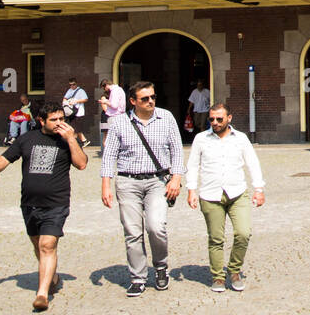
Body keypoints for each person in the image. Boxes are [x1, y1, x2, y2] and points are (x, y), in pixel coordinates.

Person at [0, 101, 87, 310]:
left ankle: (42, 293)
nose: (60, 123)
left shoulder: (67, 140)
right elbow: (5, 158)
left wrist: (70, 139)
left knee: (47, 245)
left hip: (56, 203)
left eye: (62, 119)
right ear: (41, 120)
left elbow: (82, 163)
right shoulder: (27, 139)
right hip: (29, 204)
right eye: (54, 120)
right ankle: (53, 277)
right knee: (37, 245)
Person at [100, 80, 184, 297]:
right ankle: (138, 277)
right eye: (145, 98)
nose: (150, 102)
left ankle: (160, 266)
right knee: (132, 231)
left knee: (156, 227)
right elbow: (109, 155)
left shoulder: (166, 117)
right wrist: (106, 185)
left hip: (157, 181)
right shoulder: (119, 122)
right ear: (132, 101)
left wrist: (176, 179)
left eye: (153, 97)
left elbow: (177, 149)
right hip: (128, 182)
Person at [186, 102, 266, 293]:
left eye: (219, 119)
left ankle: (235, 270)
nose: (215, 122)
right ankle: (218, 277)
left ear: (229, 118)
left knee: (243, 233)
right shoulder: (201, 139)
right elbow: (193, 165)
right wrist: (191, 190)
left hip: (237, 192)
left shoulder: (241, 138)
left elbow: (252, 163)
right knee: (215, 238)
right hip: (210, 194)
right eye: (211, 119)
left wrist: (259, 188)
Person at [97, 78, 126, 153]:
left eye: (104, 88)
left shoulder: (114, 91)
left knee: (109, 137)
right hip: (119, 115)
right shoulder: (119, 89)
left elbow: (114, 105)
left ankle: (110, 153)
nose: (105, 90)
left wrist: (105, 101)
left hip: (114, 116)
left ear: (106, 85)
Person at [63, 78, 89, 148]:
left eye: (73, 84)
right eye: (70, 85)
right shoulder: (69, 90)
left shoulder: (81, 91)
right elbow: (65, 98)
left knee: (76, 128)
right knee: (75, 127)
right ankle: (83, 141)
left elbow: (86, 99)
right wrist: (67, 102)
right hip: (71, 112)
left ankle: (80, 141)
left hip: (78, 112)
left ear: (76, 84)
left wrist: (76, 101)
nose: (72, 86)